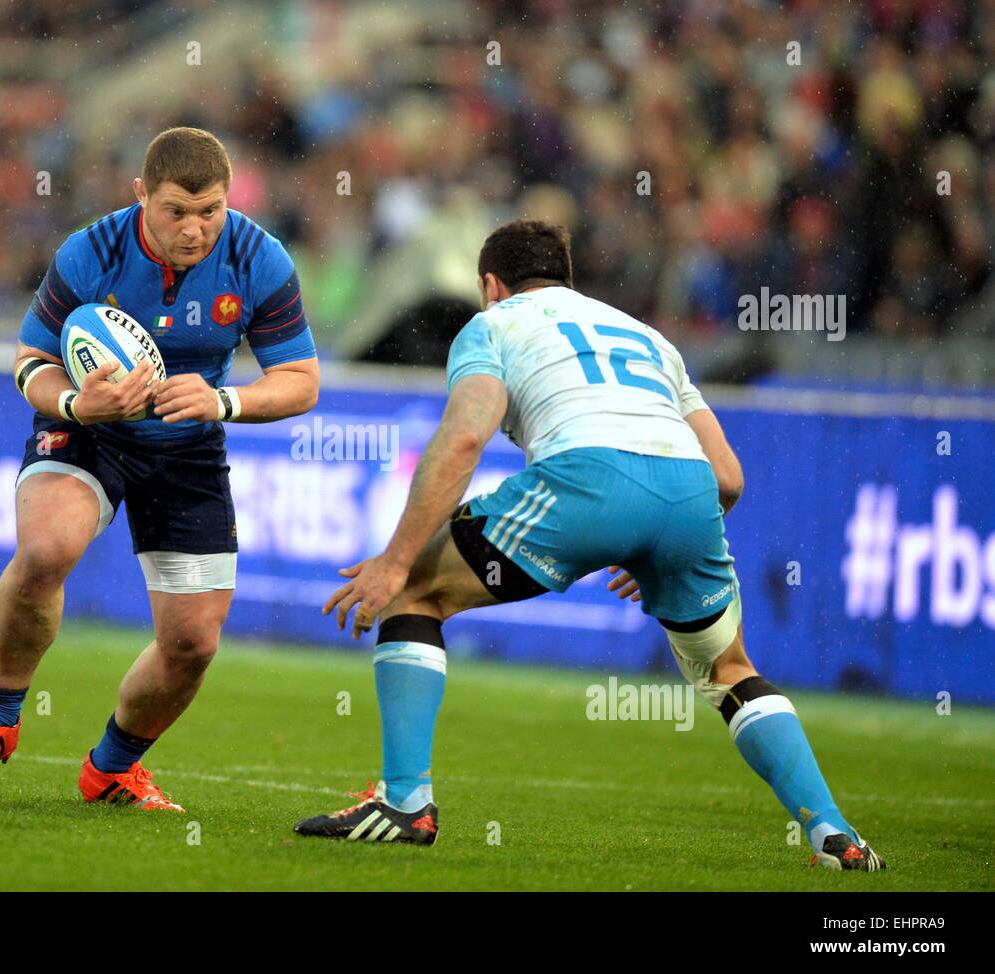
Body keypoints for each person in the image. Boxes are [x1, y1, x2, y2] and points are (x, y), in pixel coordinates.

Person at [295, 219, 884, 871]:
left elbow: (463, 438)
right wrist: (656, 542)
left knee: (413, 591)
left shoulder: (493, 326)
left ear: (491, 284)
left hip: (584, 478)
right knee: (728, 671)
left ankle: (405, 804)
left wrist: (395, 558)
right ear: (567, 278)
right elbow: (729, 477)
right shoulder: (648, 338)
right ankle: (834, 832)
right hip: (689, 496)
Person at [0, 127, 318, 810]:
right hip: (91, 427)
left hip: (188, 439)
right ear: (142, 195)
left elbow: (302, 381)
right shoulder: (93, 251)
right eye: (176, 211)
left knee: (194, 642)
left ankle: (111, 766)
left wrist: (224, 399)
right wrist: (80, 402)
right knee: (48, 548)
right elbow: (28, 361)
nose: (196, 230)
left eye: (211, 211)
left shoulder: (259, 258)